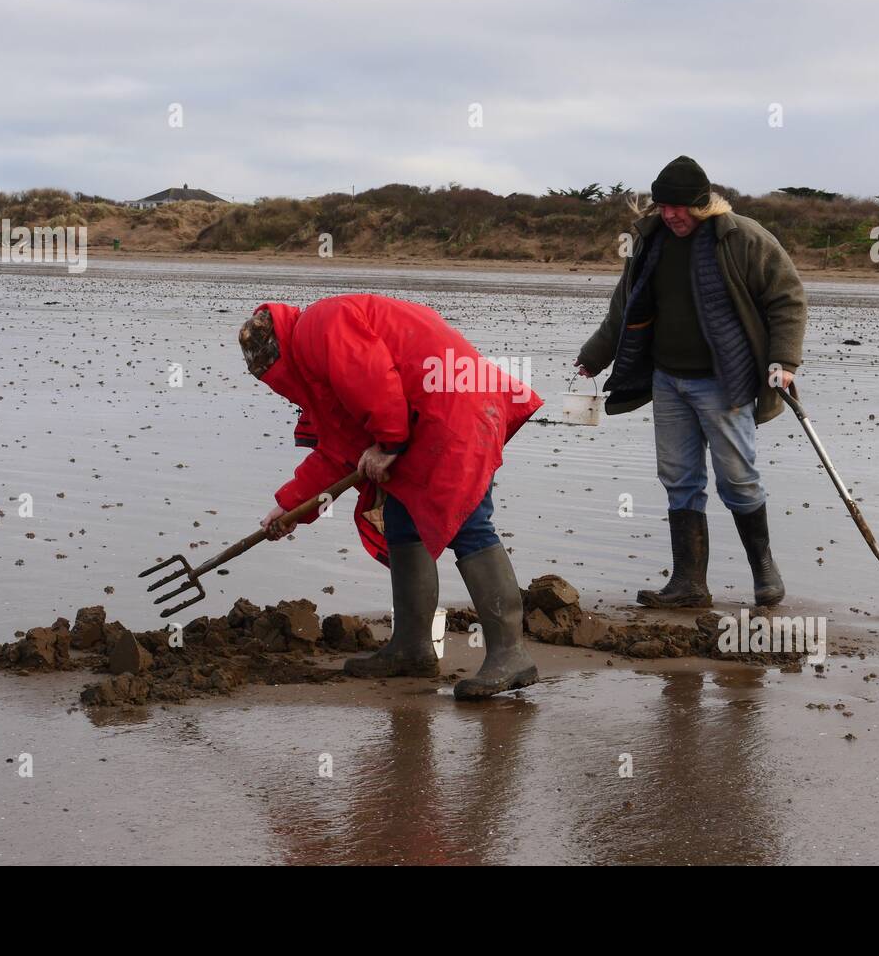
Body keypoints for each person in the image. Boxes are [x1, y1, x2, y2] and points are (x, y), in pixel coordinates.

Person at [240, 294, 543, 699]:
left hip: (453, 410)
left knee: (468, 522)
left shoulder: (320, 327)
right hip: (431, 408)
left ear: (277, 361)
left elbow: (373, 381)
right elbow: (340, 449)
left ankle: (511, 653)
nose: (278, 387)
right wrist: (290, 506)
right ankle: (412, 647)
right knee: (403, 520)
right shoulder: (315, 357)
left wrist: (389, 443)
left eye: (272, 377)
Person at [575, 156, 807, 608]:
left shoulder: (742, 238)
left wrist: (784, 360)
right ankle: (688, 584)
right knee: (679, 479)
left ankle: (764, 572)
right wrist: (594, 357)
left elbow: (788, 297)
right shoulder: (649, 242)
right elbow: (624, 306)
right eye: (662, 207)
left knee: (737, 480)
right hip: (668, 380)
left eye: (678, 208)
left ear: (702, 204)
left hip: (725, 380)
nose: (670, 215)